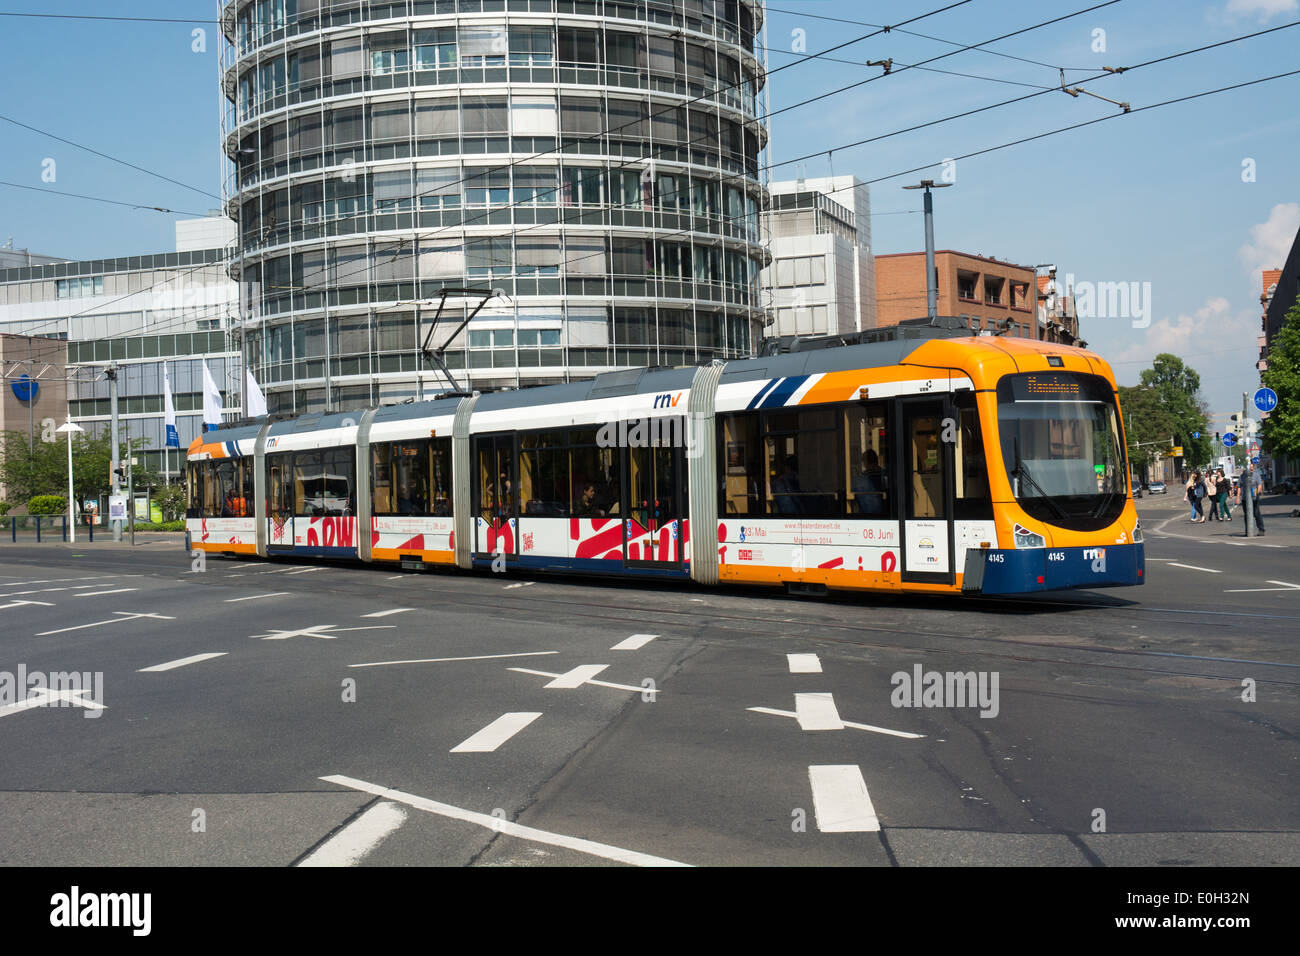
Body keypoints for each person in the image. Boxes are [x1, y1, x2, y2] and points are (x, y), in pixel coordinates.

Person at [851, 449, 886, 515]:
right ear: (876, 460)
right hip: (884, 513)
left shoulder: (862, 478)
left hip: (866, 514)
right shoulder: (884, 475)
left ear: (866, 462)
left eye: (863, 461)